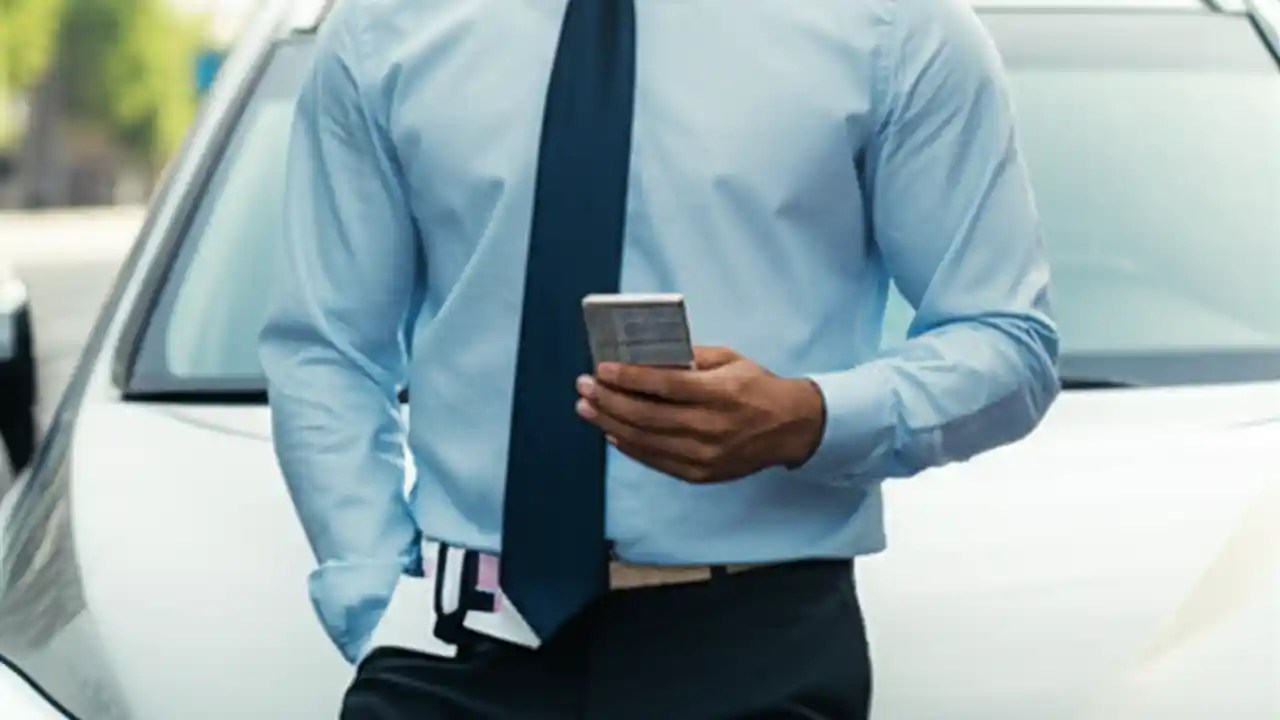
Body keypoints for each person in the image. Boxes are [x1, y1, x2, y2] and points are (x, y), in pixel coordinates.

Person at [259, 0, 1060, 716]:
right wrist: (372, 596)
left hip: (751, 648)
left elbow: (1007, 337)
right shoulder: (384, 26)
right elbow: (326, 348)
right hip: (453, 646)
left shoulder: (893, 27)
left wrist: (806, 419)